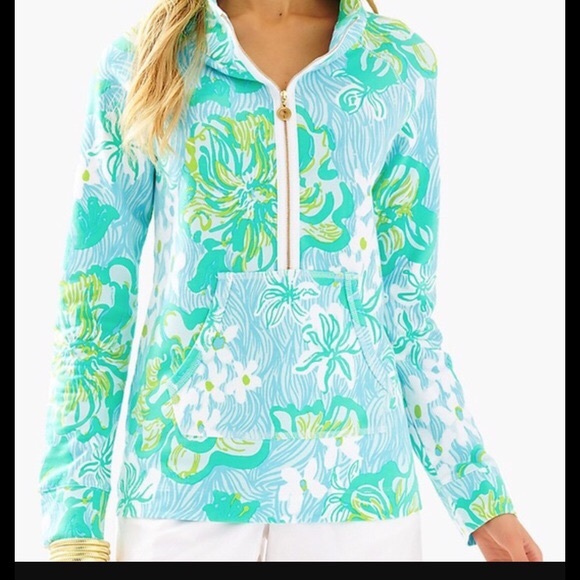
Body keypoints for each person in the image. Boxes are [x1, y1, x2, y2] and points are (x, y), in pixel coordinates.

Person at [39, 0, 542, 562]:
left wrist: (478, 496)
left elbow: (408, 311)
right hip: (179, 492)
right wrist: (72, 521)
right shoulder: (140, 60)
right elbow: (93, 308)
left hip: (362, 492)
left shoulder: (396, 63)